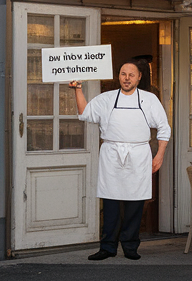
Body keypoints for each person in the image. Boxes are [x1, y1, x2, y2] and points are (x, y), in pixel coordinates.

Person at [70, 59, 170, 260]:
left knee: (135, 202)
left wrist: (159, 155)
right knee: (111, 202)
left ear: (139, 77)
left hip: (139, 154)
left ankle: (131, 246)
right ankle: (108, 247)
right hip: (111, 154)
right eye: (123, 74)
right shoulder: (106, 99)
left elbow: (163, 128)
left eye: (131, 75)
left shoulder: (150, 100)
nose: (127, 78)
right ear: (119, 76)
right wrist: (77, 89)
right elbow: (85, 113)